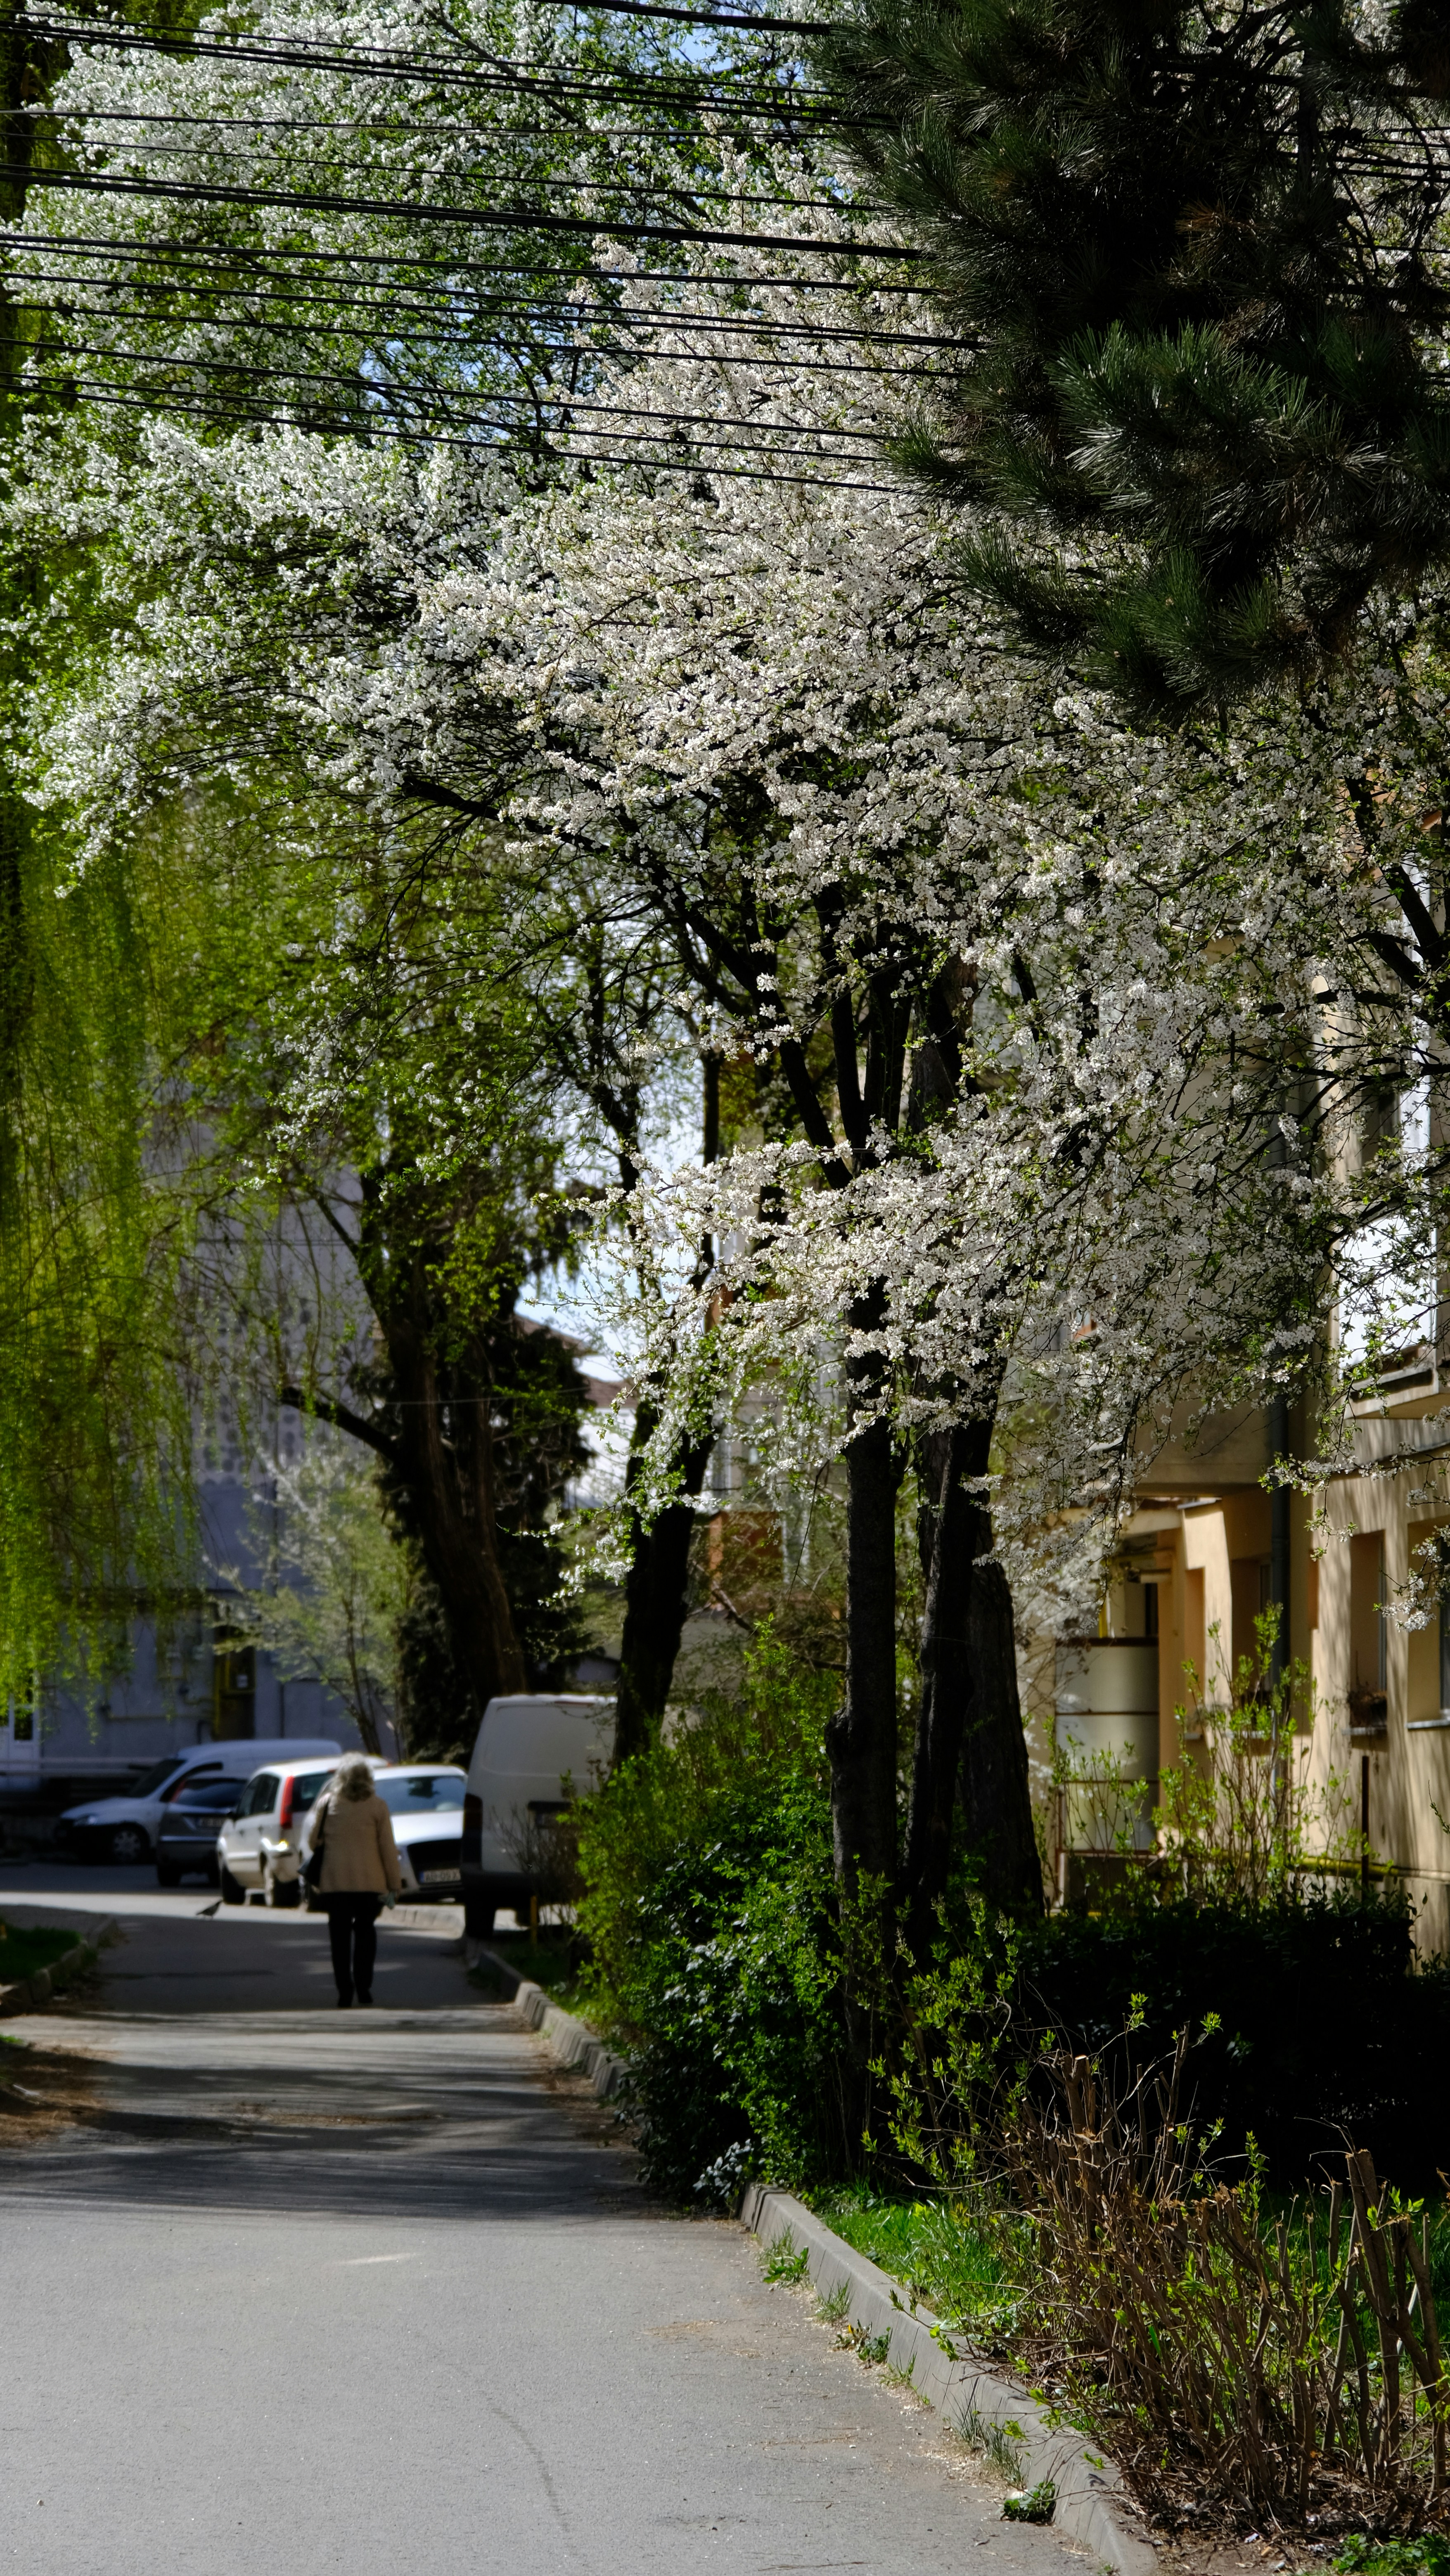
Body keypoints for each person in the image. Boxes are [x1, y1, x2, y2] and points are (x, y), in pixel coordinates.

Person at [310, 1755, 402, 2006]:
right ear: (368, 1779)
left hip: (336, 1884)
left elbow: (312, 1841)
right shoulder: (378, 1807)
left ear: (341, 1779)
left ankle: (344, 1991)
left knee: (339, 1939)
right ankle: (364, 1987)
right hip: (370, 1885)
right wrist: (395, 1884)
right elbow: (387, 1849)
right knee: (365, 1933)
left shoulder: (328, 1804)